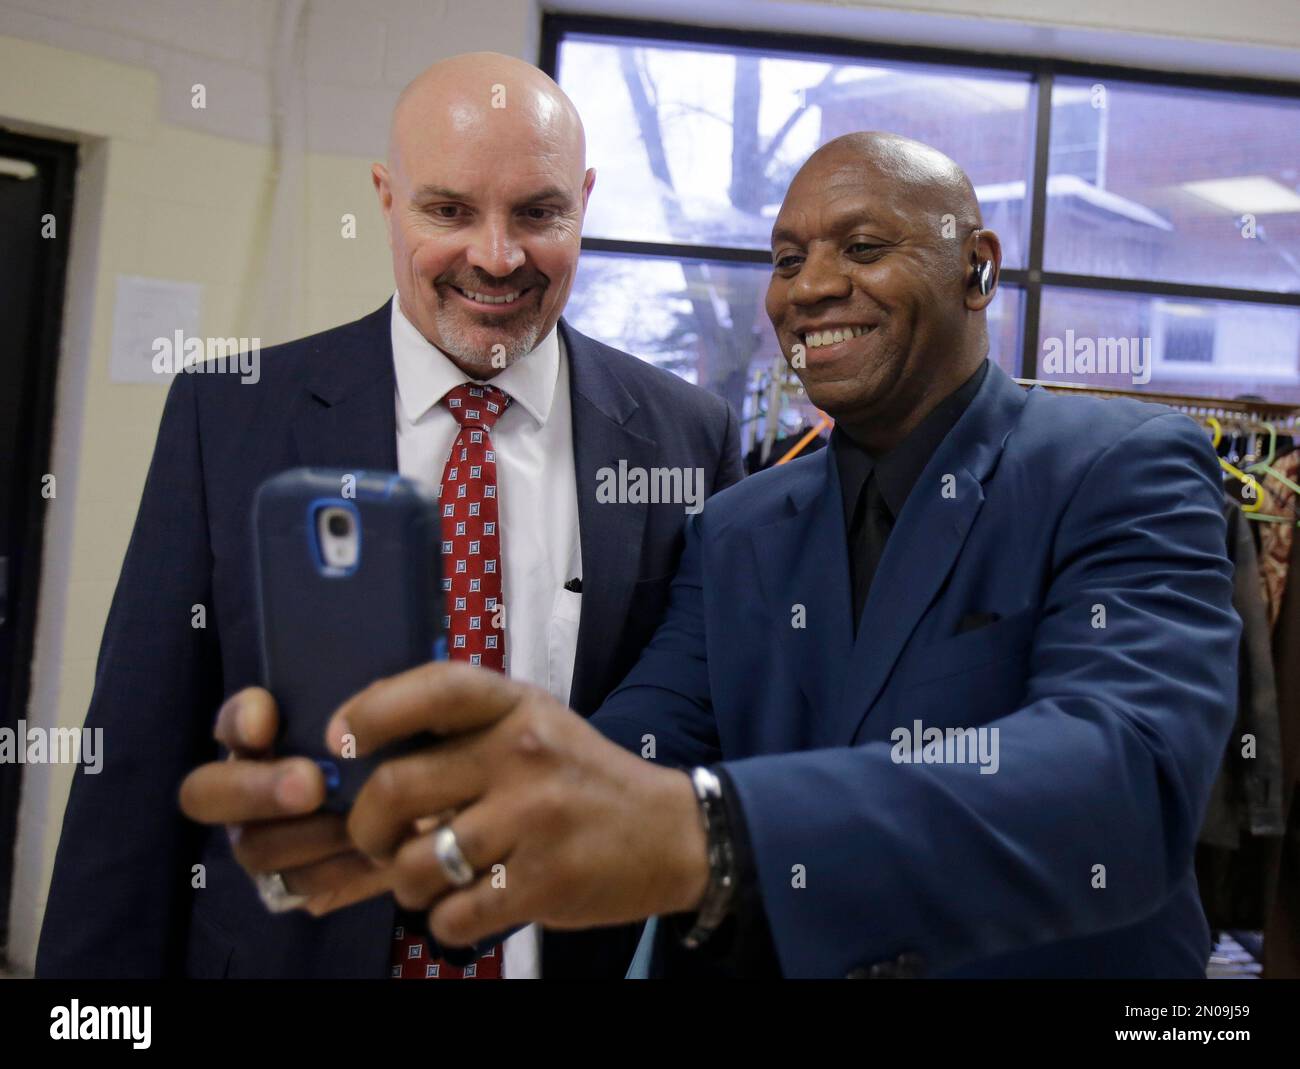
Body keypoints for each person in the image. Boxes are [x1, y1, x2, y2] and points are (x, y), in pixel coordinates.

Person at [190, 131, 1241, 978]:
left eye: (862, 248)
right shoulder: (740, 525)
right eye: (786, 260)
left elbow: (1124, 778)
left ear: (976, 269)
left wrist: (716, 830)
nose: (810, 287)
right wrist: (427, 800)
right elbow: (636, 748)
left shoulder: (1120, 463)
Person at [37, 53, 742, 980]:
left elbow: (708, 736)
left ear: (586, 200)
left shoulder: (686, 435)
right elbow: (132, 760)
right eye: (448, 210)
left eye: (538, 212)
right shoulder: (233, 414)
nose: (497, 256)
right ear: (385, 196)